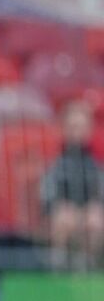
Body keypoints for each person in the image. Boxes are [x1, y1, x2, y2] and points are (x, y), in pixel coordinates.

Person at [40, 100, 103, 270]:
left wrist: (95, 208)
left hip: (88, 212)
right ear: (64, 129)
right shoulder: (55, 163)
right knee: (64, 219)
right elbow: (46, 195)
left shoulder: (95, 165)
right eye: (73, 126)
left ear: (89, 129)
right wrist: (57, 207)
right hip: (61, 213)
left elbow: (100, 193)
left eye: (81, 126)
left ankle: (87, 266)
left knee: (94, 220)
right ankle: (58, 266)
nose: (77, 132)